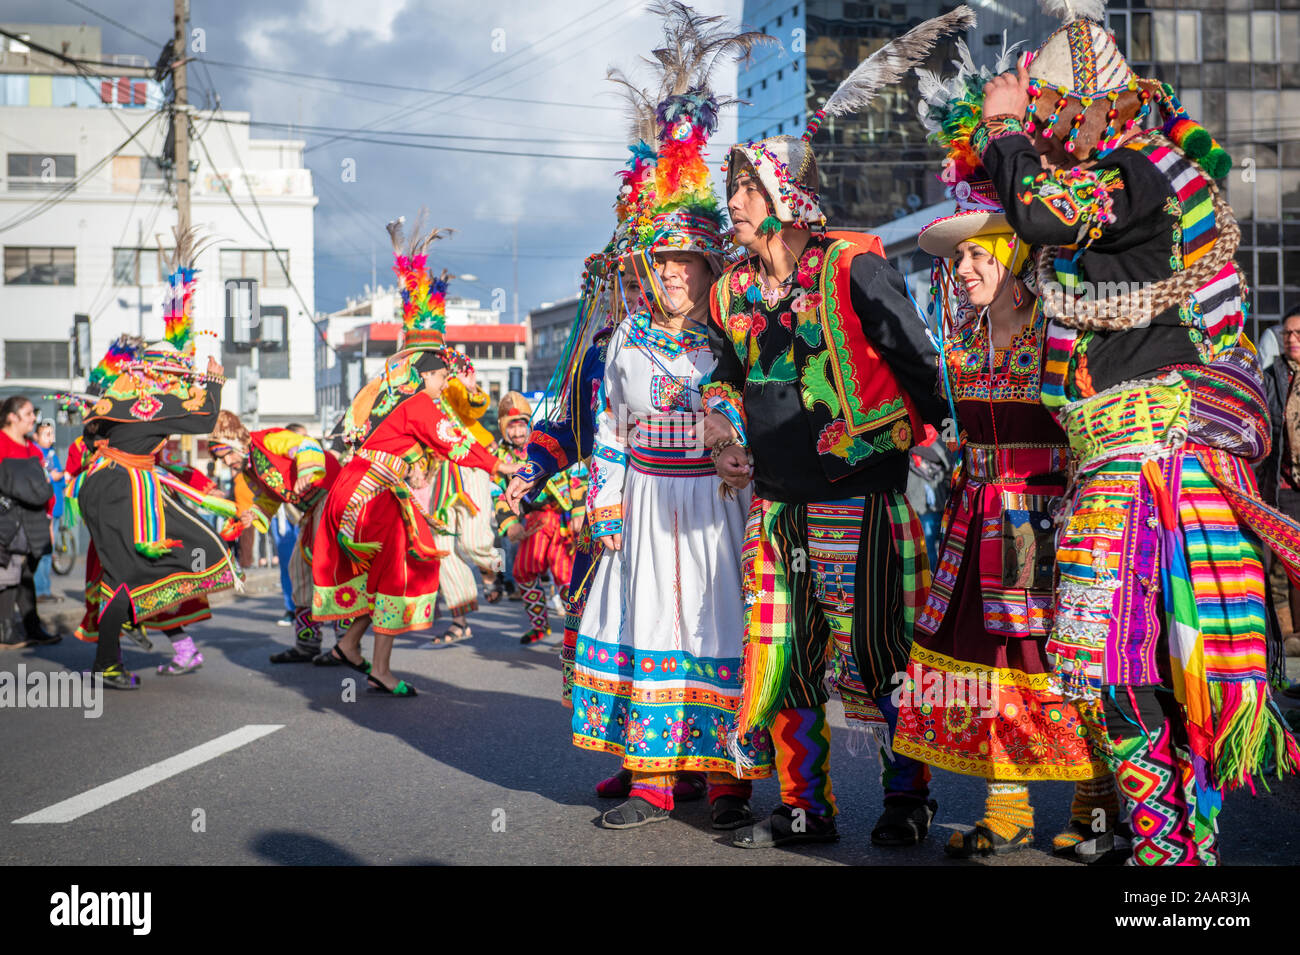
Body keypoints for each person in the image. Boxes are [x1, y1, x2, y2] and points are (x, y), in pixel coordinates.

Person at [977, 2, 1298, 863]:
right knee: (1121, 673)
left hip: (1153, 465)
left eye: (1046, 117)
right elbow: (1049, 239)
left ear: (1081, 108)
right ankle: (1172, 856)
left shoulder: (1143, 170)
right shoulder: (1125, 187)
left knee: (1131, 674)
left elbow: (1043, 211)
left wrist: (999, 127)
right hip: (1117, 465)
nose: (1038, 138)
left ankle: (1177, 864)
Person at [698, 8, 974, 849]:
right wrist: (718, 425)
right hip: (777, 503)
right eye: (732, 189)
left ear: (785, 197)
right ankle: (804, 801)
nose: (732, 202)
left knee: (885, 659)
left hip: (866, 496)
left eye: (745, 190)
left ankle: (906, 796)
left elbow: (921, 360)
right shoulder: (729, 293)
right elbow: (724, 376)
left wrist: (936, 445)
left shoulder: (852, 264)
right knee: (786, 663)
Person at [891, 49, 1114, 859]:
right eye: (962, 257)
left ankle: (1097, 804)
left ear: (1020, 263)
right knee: (984, 670)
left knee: (1062, 663)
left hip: (1051, 528)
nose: (966, 267)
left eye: (981, 254)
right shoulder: (965, 346)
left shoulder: (1064, 341)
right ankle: (1008, 808)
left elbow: (1094, 435)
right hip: (976, 519)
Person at [570, 4, 773, 831]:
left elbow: (759, 407)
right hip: (649, 503)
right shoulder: (623, 341)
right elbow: (610, 427)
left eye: (690, 262)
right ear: (648, 269)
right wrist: (607, 500)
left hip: (718, 503)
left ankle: (727, 779)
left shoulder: (733, 333)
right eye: (666, 263)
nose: (679, 277)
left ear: (707, 265)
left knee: (718, 622)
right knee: (646, 621)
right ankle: (656, 777)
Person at [312, 218, 509, 695]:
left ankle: (351, 647)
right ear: (426, 370)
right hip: (372, 490)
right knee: (407, 563)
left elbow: (354, 431)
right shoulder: (421, 400)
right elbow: (456, 440)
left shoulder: (385, 389)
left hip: (364, 488)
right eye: (442, 374)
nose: (447, 382)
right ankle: (378, 667)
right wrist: (500, 463)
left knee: (393, 566)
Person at [209, 411, 342, 665]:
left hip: (333, 497)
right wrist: (255, 514)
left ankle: (346, 646)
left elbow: (305, 444)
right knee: (299, 571)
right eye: (219, 458)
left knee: (330, 570)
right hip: (312, 510)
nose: (225, 462)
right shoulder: (250, 469)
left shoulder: (268, 440)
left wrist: (306, 468)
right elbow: (270, 497)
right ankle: (307, 643)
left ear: (235, 443)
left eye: (225, 454)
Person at [494, 391, 582, 644]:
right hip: (535, 521)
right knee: (522, 571)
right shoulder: (500, 458)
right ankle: (540, 625)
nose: (518, 433)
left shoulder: (543, 441)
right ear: (503, 428)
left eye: (522, 425)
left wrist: (578, 509)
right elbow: (497, 493)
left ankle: (578, 634)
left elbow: (576, 471)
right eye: (511, 427)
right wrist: (509, 523)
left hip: (563, 519)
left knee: (566, 576)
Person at [0, 396, 59, 648]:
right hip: (8, 522)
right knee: (8, 576)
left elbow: (45, 486)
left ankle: (32, 627)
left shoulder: (31, 449)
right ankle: (6, 630)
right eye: (28, 414)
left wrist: (48, 519)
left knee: (26, 575)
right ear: (12, 417)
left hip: (32, 523)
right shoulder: (2, 444)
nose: (33, 418)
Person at [1260, 303, 1300, 653]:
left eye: (1298, 334)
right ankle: (1286, 639)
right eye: (1287, 333)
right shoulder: (1272, 377)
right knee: (1280, 568)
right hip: (1281, 485)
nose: (1292, 339)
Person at [33, 419, 64, 602]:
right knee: (43, 552)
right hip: (45, 509)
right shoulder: (35, 454)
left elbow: (60, 478)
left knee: (49, 551)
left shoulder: (52, 453)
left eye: (52, 433)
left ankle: (45, 589)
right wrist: (52, 477)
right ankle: (39, 591)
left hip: (56, 507)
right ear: (36, 436)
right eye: (46, 434)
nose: (50, 438)